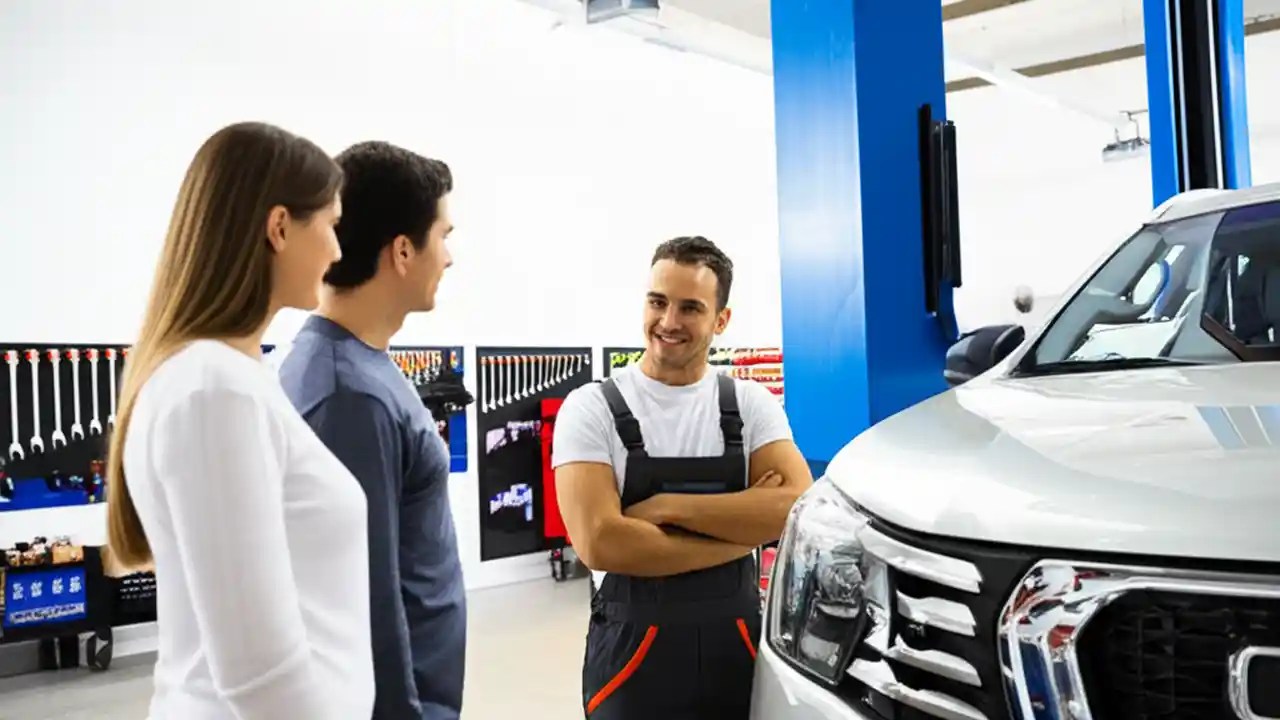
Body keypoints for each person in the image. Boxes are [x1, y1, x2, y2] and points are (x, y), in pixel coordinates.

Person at [105, 121, 374, 719]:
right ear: (279, 227)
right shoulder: (212, 389)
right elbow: (261, 676)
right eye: (329, 225)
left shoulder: (231, 377)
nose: (336, 250)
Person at [552, 236, 813, 719]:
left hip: (734, 650)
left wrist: (666, 508)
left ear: (721, 320)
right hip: (631, 659)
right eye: (658, 302)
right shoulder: (593, 408)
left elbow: (796, 506)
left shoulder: (749, 405)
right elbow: (600, 542)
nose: (669, 322)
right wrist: (739, 535)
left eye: (690, 307)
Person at [277, 141, 464, 720]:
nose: (450, 257)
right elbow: (362, 597)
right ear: (403, 250)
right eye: (444, 236)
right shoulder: (350, 397)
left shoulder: (356, 368)